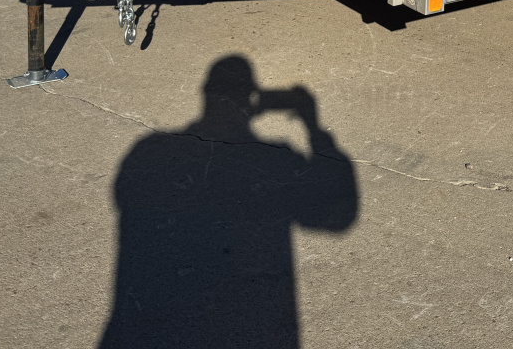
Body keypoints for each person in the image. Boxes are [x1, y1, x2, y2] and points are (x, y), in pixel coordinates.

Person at [99, 55, 358, 348]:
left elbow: (127, 199)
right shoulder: (275, 158)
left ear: (207, 95)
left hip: (159, 322)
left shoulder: (150, 150)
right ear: (250, 101)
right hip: (252, 321)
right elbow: (338, 217)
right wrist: (312, 125)